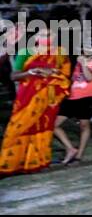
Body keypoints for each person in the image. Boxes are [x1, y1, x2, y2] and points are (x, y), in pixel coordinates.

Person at [0, 37, 71, 177]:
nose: (47, 37)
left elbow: (65, 75)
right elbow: (14, 76)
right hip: (27, 99)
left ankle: (37, 162)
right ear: (36, 37)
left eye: (50, 33)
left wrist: (54, 74)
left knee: (43, 128)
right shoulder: (25, 51)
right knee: (17, 128)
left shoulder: (60, 52)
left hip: (48, 99)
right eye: (43, 33)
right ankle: (9, 163)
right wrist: (30, 72)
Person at [53, 46, 92, 165]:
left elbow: (90, 78)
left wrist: (83, 63)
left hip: (88, 97)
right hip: (72, 97)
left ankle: (79, 155)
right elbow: (72, 78)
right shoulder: (77, 60)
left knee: (83, 126)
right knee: (53, 125)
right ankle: (70, 148)